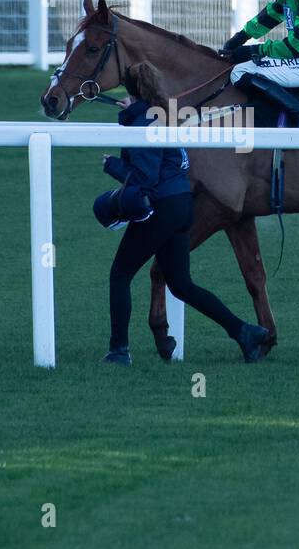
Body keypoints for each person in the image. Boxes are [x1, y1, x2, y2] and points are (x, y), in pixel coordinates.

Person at [96, 62, 269, 366]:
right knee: (181, 284)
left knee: (120, 275)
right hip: (180, 206)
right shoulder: (159, 115)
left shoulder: (144, 124)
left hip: (160, 209)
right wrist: (134, 108)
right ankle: (245, 332)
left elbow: (144, 180)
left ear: (134, 92)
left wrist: (112, 165)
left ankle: (119, 350)